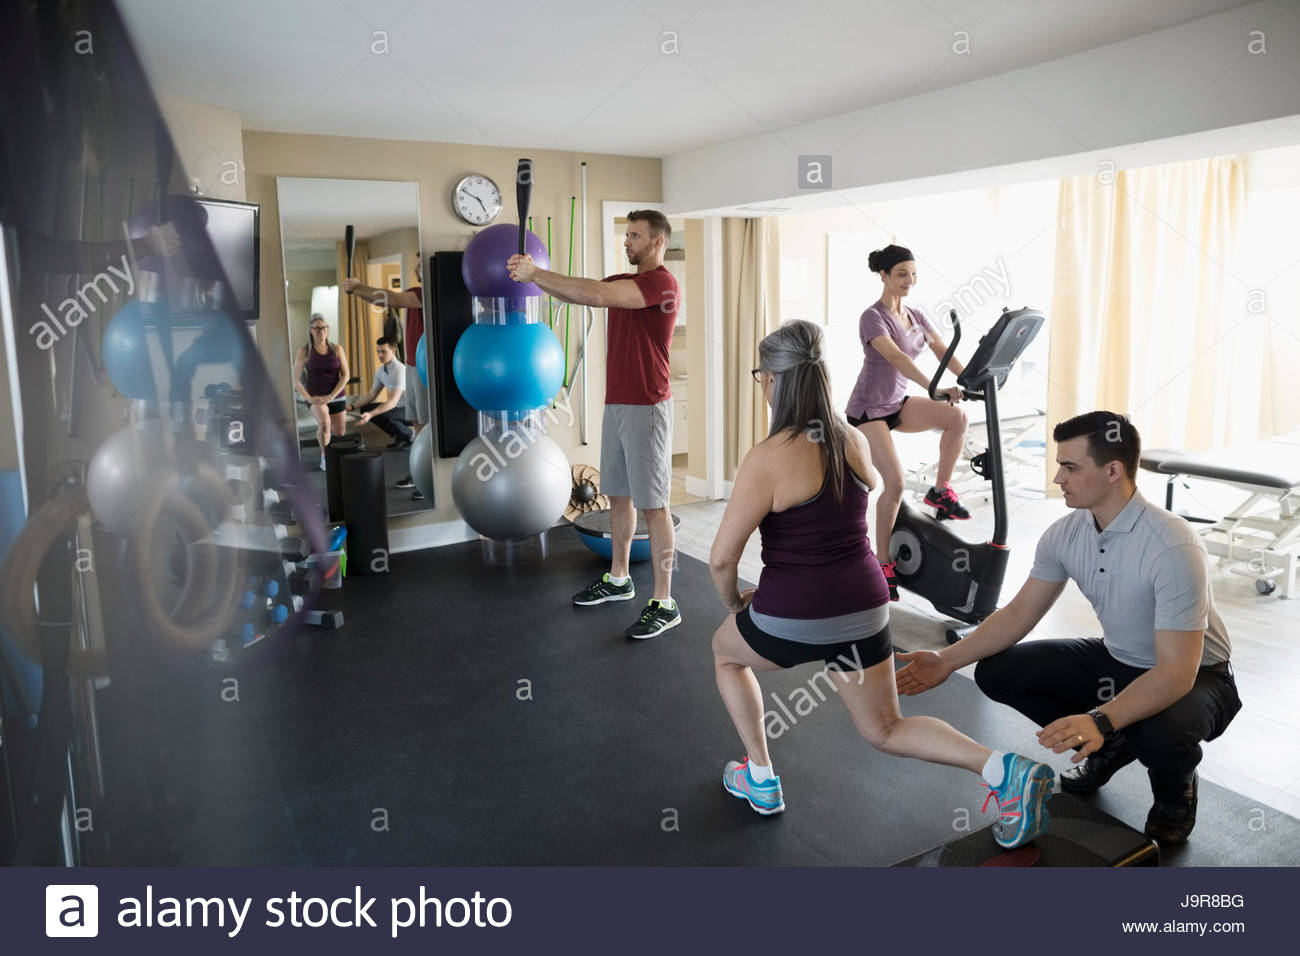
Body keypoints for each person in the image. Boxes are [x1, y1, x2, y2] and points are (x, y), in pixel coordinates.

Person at [707, 319, 1054, 849]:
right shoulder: (851, 440)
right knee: (885, 729)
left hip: (794, 613)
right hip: (866, 609)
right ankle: (1002, 768)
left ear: (774, 381)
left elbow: (720, 559)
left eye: (761, 376)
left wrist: (736, 604)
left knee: (726, 654)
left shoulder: (769, 455)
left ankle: (760, 778)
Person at [895, 411, 1242, 846]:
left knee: (1162, 733)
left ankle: (1176, 788)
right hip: (1117, 659)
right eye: (1060, 465)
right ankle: (1112, 742)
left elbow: (1176, 672)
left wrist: (1100, 716)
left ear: (1113, 470)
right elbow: (1019, 614)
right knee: (998, 670)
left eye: (1070, 467)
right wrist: (946, 661)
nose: (1058, 477)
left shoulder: (1172, 545)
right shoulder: (1065, 534)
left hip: (1199, 677)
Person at [508, 211, 682, 639]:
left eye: (636, 235)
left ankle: (664, 602)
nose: (627, 241)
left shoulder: (660, 285)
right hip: (618, 404)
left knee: (654, 507)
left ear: (658, 242)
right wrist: (533, 278)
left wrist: (538, 271)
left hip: (649, 407)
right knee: (618, 497)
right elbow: (580, 295)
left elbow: (598, 296)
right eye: (626, 234)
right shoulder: (621, 279)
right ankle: (619, 579)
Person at [847, 244, 970, 600]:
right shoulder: (873, 317)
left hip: (897, 403)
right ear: (883, 276)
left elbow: (943, 352)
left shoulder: (916, 315)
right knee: (896, 485)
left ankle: (940, 491)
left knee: (957, 417)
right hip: (868, 409)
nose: (909, 281)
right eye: (901, 274)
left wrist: (975, 378)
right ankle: (882, 563)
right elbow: (897, 357)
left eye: (913, 274)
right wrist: (934, 388)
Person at [344, 258, 427, 498]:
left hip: (422, 368)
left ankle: (427, 476)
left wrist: (359, 286)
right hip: (412, 366)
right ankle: (420, 474)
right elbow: (383, 299)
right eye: (416, 263)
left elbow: (391, 298)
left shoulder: (424, 294)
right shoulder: (416, 294)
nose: (415, 267)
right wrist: (357, 291)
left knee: (425, 430)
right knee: (418, 428)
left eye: (419, 264)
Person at [291, 313, 350, 470]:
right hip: (316, 396)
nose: (321, 331)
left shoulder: (337, 349)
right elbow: (295, 379)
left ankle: (328, 440)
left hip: (336, 395)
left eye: (324, 328)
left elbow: (346, 375)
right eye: (317, 328)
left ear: (327, 330)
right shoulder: (305, 351)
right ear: (311, 330)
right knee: (324, 422)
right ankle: (325, 457)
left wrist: (331, 396)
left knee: (339, 431)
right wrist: (309, 399)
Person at [348, 336, 414, 448]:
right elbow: (371, 395)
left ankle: (411, 434)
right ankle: (400, 435)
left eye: (383, 352)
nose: (380, 355)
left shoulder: (399, 370)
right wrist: (352, 406)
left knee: (383, 414)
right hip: (398, 407)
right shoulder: (381, 371)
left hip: (410, 410)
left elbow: (392, 402)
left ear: (393, 351)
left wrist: (371, 415)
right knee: (366, 408)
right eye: (378, 351)